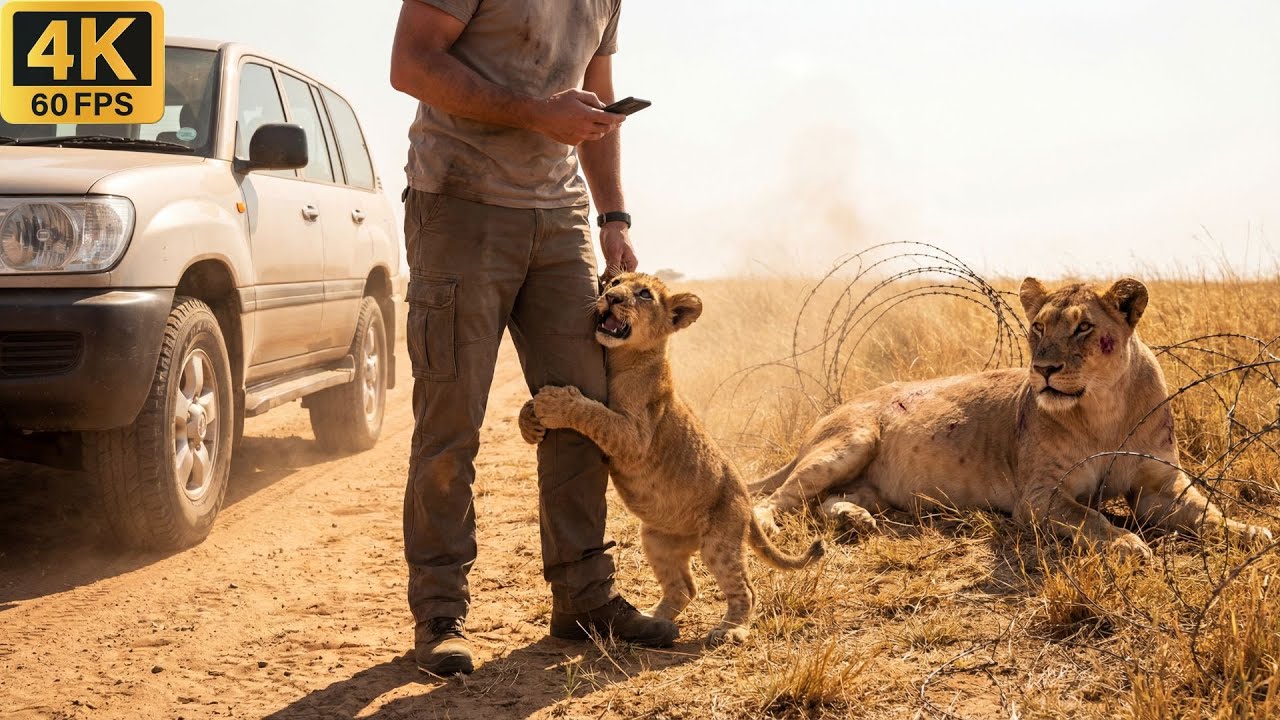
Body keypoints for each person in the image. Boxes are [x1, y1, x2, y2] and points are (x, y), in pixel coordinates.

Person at [389, 0, 677, 676]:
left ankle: (583, 598)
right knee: (450, 419)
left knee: (580, 405)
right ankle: (439, 614)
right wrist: (537, 111)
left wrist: (613, 216)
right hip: (458, 202)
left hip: (561, 218)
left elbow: (600, 105)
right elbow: (410, 64)